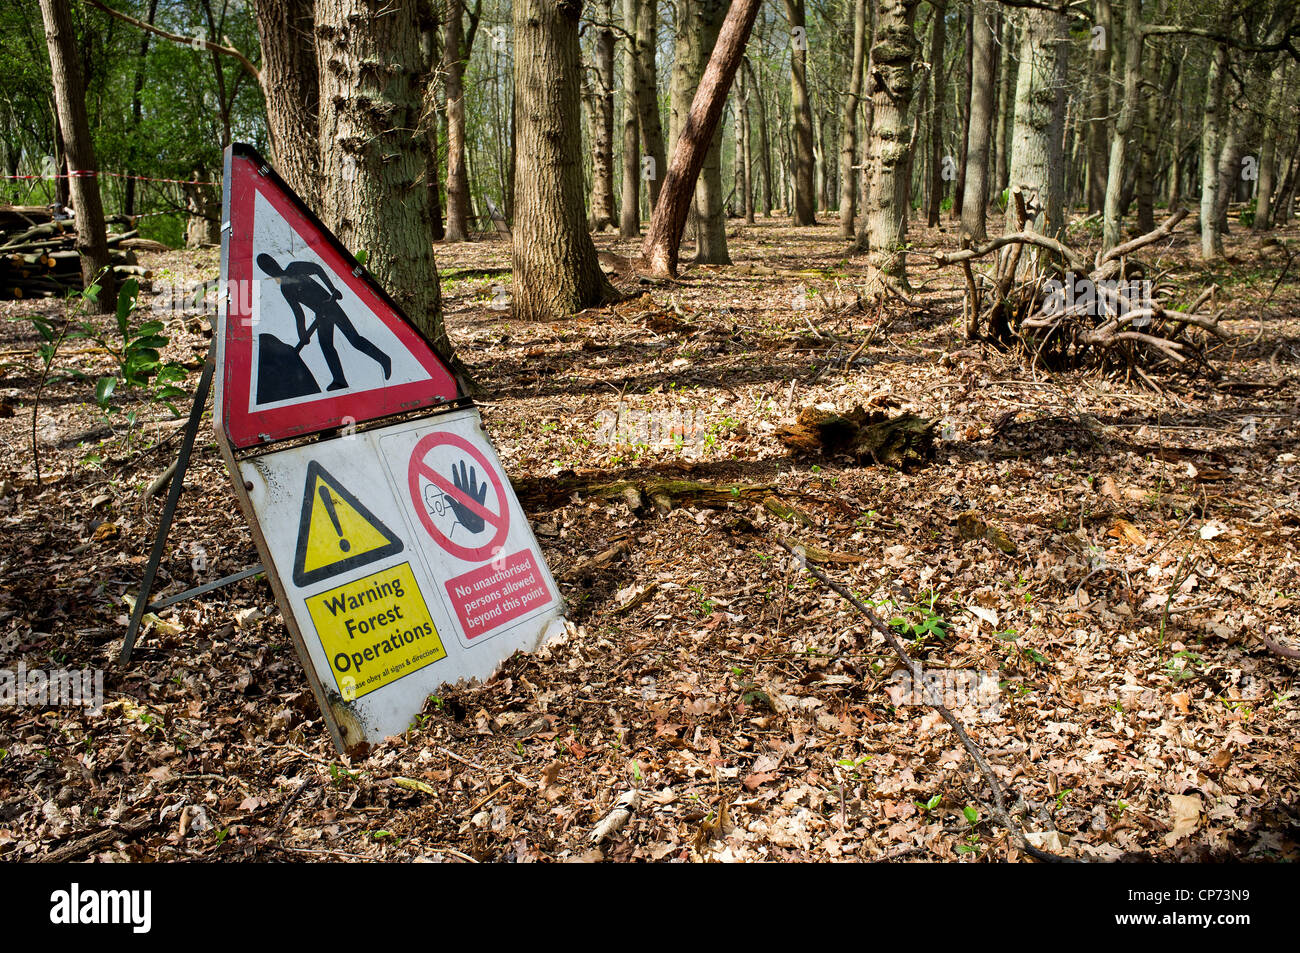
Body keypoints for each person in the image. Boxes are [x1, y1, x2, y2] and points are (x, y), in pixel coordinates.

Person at [256, 253, 391, 390]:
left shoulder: (293, 268)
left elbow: (317, 269)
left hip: (330, 306)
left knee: (354, 339)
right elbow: (298, 313)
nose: (271, 270)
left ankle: (384, 359)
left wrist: (332, 289)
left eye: (270, 265)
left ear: (275, 262)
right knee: (326, 346)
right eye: (267, 269)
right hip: (321, 316)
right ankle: (340, 380)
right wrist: (302, 334)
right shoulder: (285, 288)